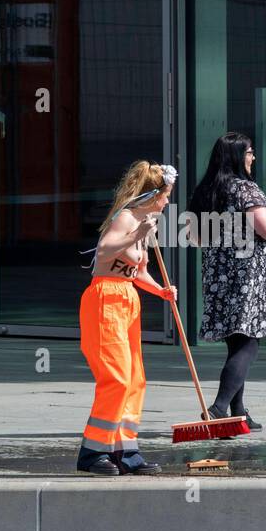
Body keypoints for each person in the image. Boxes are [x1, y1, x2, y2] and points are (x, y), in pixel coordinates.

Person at [77, 161, 179, 476]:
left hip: (126, 300)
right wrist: (139, 231)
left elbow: (138, 272)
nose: (167, 202)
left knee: (135, 379)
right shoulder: (125, 219)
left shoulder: (143, 222)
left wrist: (160, 290)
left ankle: (126, 450)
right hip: (105, 299)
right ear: (153, 195)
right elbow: (105, 251)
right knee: (117, 379)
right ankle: (93, 452)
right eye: (165, 196)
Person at [188, 132, 266, 431]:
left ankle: (238, 410)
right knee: (248, 342)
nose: (252, 157)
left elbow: (195, 236)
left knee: (236, 340)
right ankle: (218, 408)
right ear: (236, 156)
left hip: (219, 274)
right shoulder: (246, 189)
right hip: (247, 276)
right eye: (249, 152)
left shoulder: (207, 190)